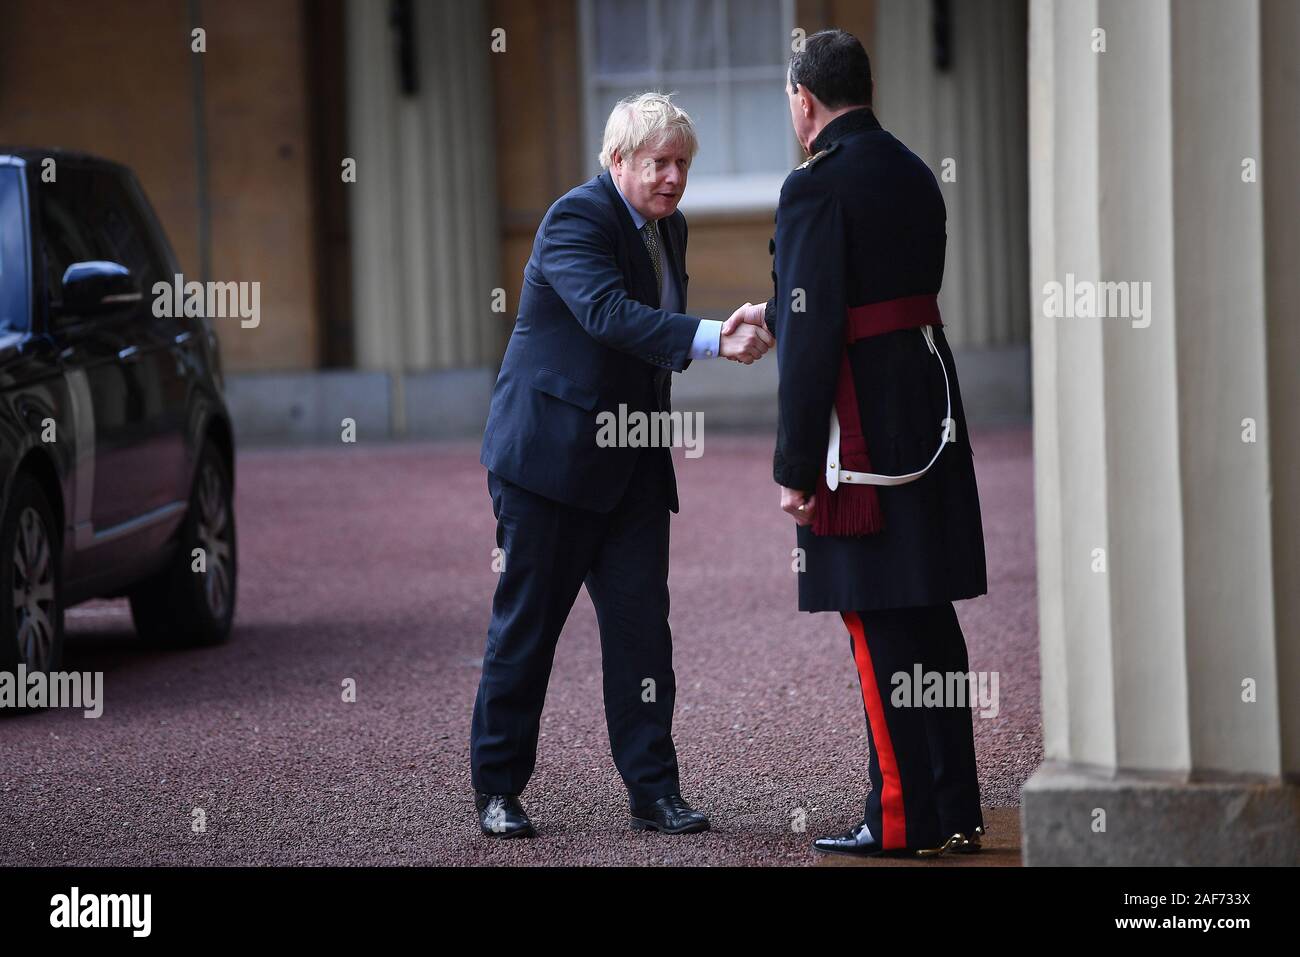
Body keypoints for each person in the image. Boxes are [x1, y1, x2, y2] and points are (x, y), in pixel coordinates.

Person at [472, 92, 773, 838]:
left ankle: (653, 791)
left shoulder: (669, 230)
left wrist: (707, 337)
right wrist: (710, 336)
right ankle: (499, 789)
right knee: (527, 631)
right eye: (658, 163)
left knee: (643, 635)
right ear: (617, 161)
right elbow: (606, 315)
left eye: (682, 164)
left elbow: (646, 343)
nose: (673, 178)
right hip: (549, 465)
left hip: (633, 462)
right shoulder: (575, 217)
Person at [725, 30, 988, 857]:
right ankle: (954, 806)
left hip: (861, 426)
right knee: (928, 604)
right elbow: (873, 291)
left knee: (874, 614)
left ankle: (901, 818)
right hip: (928, 404)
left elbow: (817, 335)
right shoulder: (913, 168)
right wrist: (774, 308)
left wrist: (796, 467)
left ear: (804, 100)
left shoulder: (814, 186)